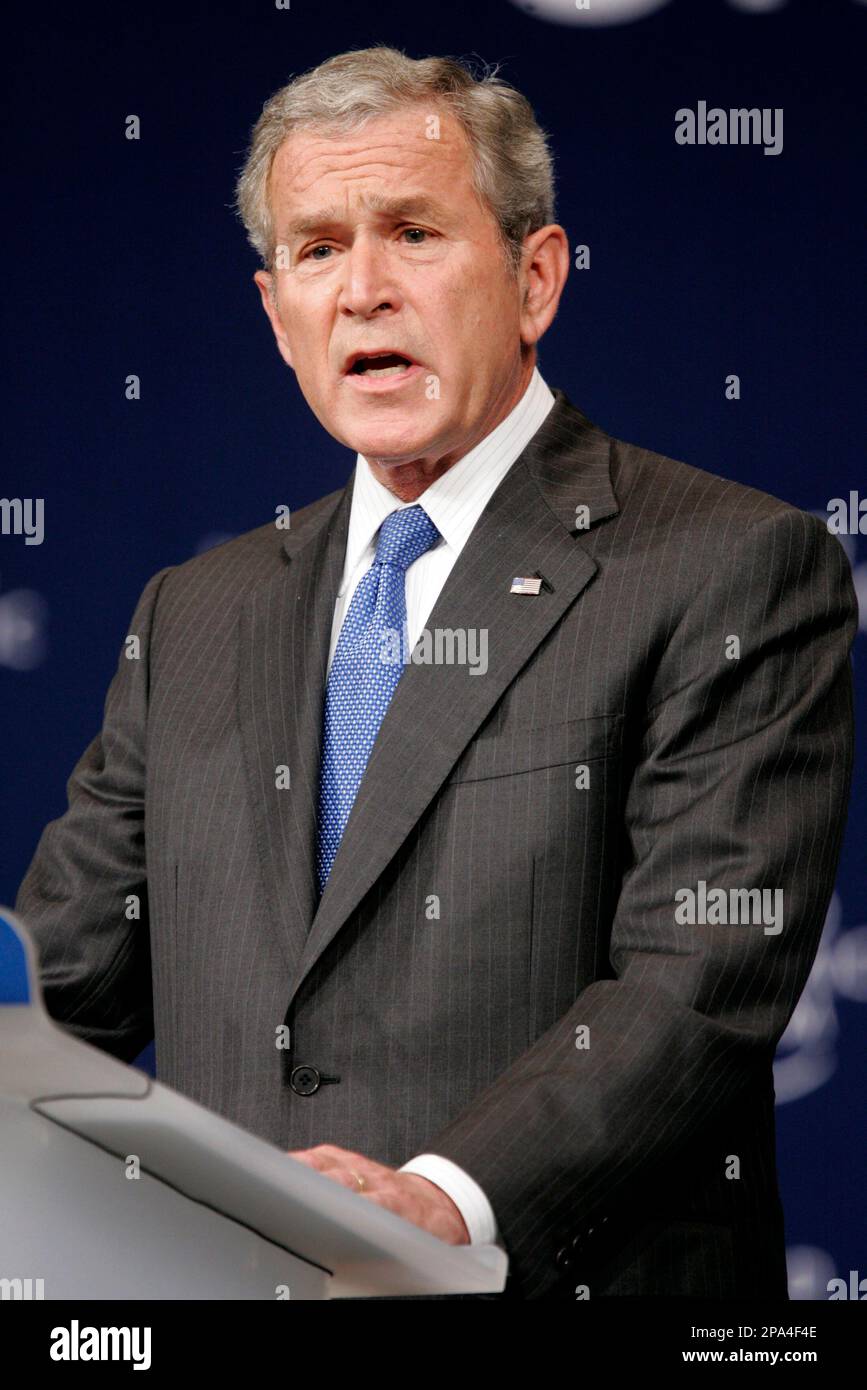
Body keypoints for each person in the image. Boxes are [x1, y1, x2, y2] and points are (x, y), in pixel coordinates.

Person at [16, 46, 857, 1299]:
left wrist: (439, 1201)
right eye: (315, 249)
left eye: (412, 233)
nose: (362, 290)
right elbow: (63, 980)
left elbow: (696, 984)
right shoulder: (194, 613)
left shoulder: (730, 566)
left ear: (535, 279)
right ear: (275, 314)